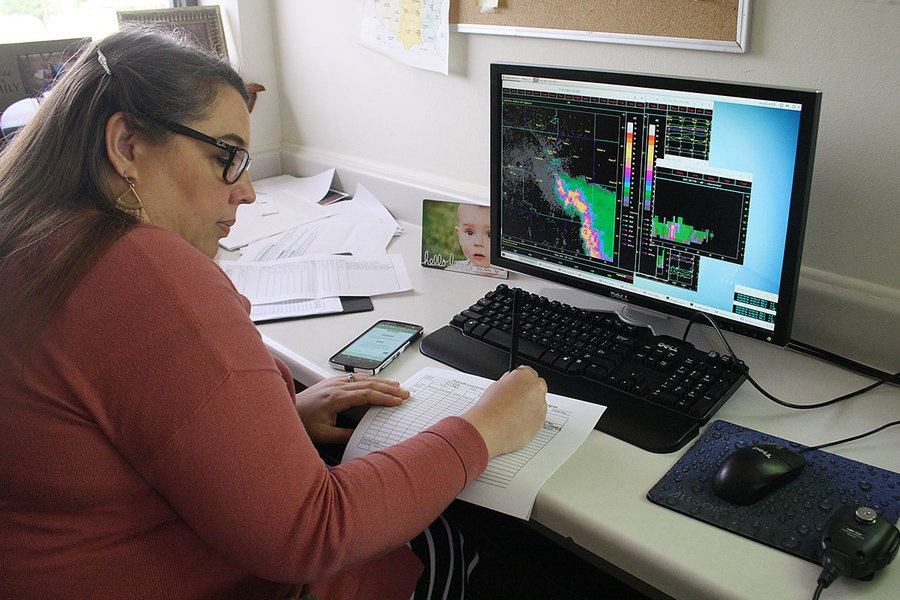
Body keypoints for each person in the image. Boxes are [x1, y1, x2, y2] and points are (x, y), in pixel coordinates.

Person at [0, 26, 547, 599]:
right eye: (226, 156)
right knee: (452, 539)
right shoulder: (137, 268)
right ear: (128, 146)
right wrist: (481, 431)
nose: (247, 192)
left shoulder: (36, 232)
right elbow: (312, 534)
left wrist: (278, 420)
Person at [445, 202, 505, 277]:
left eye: (490, 234)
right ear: (459, 235)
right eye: (470, 233)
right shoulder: (454, 271)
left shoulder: (514, 277)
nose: (478, 242)